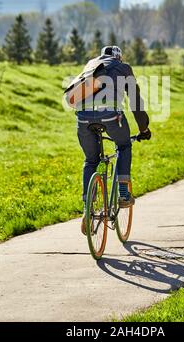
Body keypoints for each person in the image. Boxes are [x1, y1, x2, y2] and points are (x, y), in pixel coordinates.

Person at [75, 46, 151, 235]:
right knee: (124, 145)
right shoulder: (123, 68)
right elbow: (135, 101)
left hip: (83, 119)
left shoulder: (90, 66)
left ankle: (88, 208)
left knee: (91, 160)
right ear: (119, 57)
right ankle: (124, 193)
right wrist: (143, 129)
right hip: (111, 117)